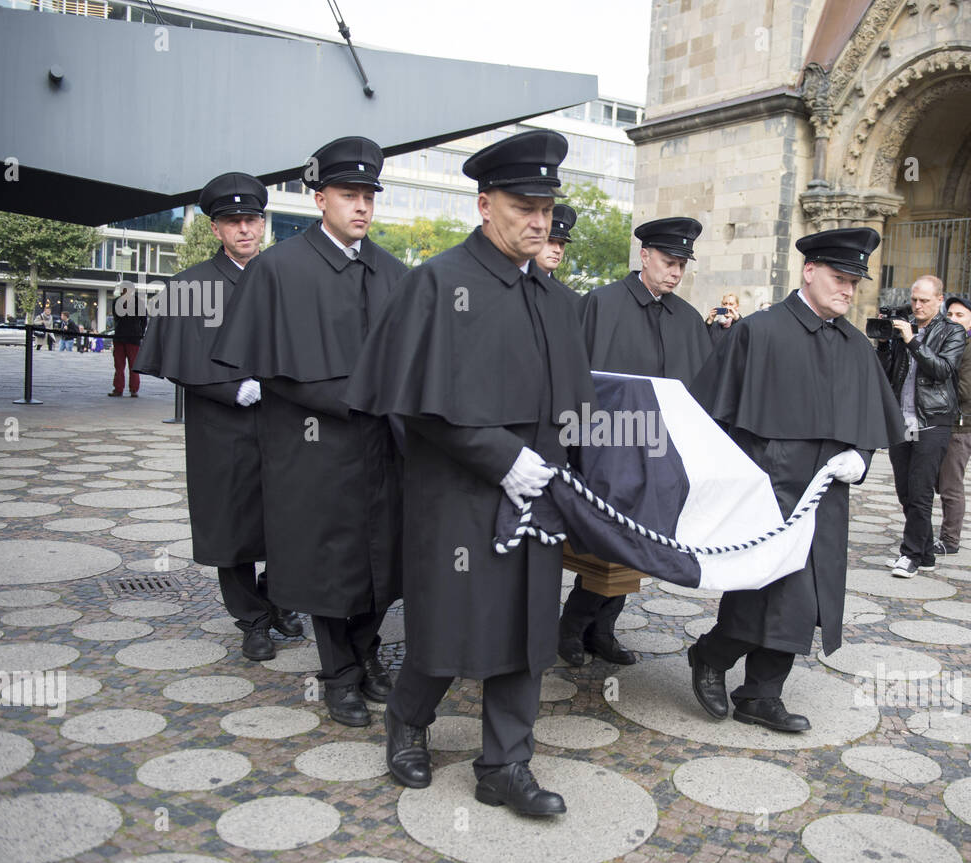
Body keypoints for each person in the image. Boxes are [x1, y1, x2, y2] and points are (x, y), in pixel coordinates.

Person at [347, 129, 596, 815]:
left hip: (536, 494)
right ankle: (407, 715)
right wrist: (501, 457)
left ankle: (505, 764)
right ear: (486, 205)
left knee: (525, 627)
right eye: (524, 205)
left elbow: (571, 407)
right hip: (458, 492)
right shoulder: (438, 282)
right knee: (450, 624)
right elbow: (416, 405)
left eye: (546, 206)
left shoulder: (553, 297)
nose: (539, 219)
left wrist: (561, 470)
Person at [213, 137, 407, 727]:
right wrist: (350, 398)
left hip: (385, 449)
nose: (362, 207)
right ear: (318, 198)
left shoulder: (394, 272)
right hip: (313, 447)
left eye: (369, 196)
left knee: (386, 558)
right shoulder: (277, 270)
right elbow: (266, 367)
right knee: (329, 563)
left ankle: (368, 651)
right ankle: (339, 673)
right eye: (349, 195)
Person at [686, 227, 905, 730]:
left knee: (805, 599)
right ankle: (713, 657)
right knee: (760, 591)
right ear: (809, 271)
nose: (848, 290)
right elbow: (710, 418)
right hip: (764, 490)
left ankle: (762, 694)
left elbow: (871, 421)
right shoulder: (758, 331)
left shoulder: (855, 345)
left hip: (825, 495)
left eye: (855, 282)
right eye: (839, 277)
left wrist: (861, 459)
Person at [135, 172, 305, 658]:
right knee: (231, 526)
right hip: (222, 429)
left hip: (286, 424)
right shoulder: (191, 286)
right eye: (233, 222)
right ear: (216, 229)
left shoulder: (285, 277)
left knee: (289, 517)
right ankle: (251, 620)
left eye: (252, 219)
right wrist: (233, 388)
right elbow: (173, 360)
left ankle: (277, 598)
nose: (245, 229)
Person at [559, 215, 721, 667]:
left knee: (644, 547)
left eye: (681, 266)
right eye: (668, 262)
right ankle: (573, 627)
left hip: (662, 457)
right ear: (644, 256)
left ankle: (602, 630)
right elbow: (574, 381)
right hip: (607, 451)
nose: (675, 272)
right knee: (604, 545)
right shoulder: (600, 305)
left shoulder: (688, 319)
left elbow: (700, 394)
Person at [876, 275, 965, 577]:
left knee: (921, 490)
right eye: (914, 299)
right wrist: (886, 343)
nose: (917, 305)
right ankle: (925, 552)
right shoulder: (903, 327)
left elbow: (942, 370)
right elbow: (886, 371)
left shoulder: (953, 331)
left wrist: (912, 340)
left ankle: (910, 553)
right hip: (902, 419)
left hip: (933, 420)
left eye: (924, 300)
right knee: (904, 490)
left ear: (940, 300)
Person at [935, 295, 971, 554]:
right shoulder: (943, 344)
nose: (953, 320)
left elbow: (964, 390)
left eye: (960, 315)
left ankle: (950, 540)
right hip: (934, 422)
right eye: (950, 315)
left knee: (950, 486)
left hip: (958, 427)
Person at [108, 298, 145, 393]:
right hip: (130, 336)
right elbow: (143, 320)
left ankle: (121, 388)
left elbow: (116, 317)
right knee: (125, 365)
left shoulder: (118, 301)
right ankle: (131, 389)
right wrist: (140, 333)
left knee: (122, 366)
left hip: (124, 336)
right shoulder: (138, 302)